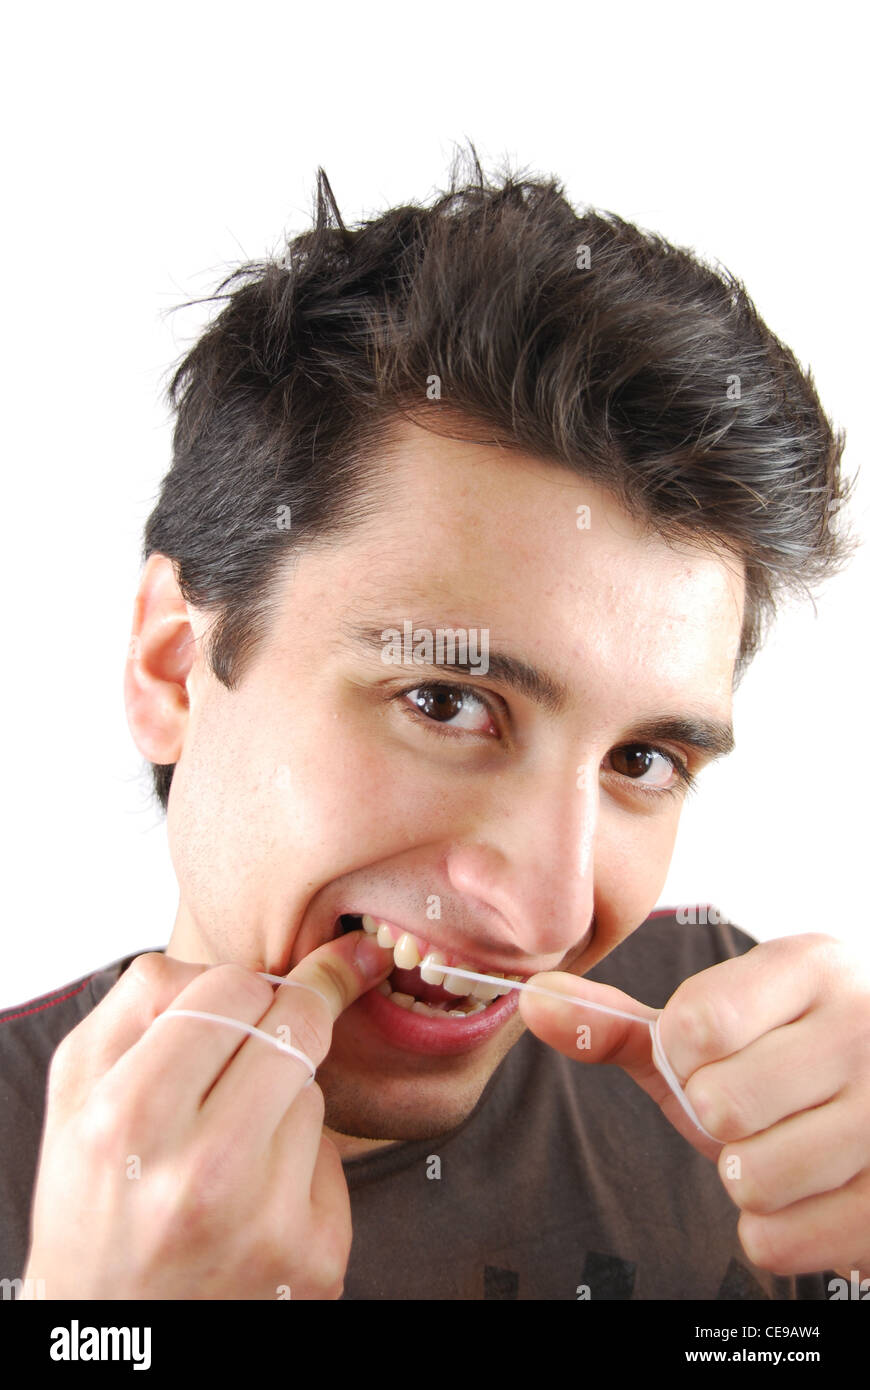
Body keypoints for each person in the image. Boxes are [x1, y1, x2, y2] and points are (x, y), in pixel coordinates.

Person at [1, 148, 864, 1301]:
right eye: (448, 702)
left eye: (643, 759)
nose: (551, 913)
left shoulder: (763, 1086)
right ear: (174, 666)